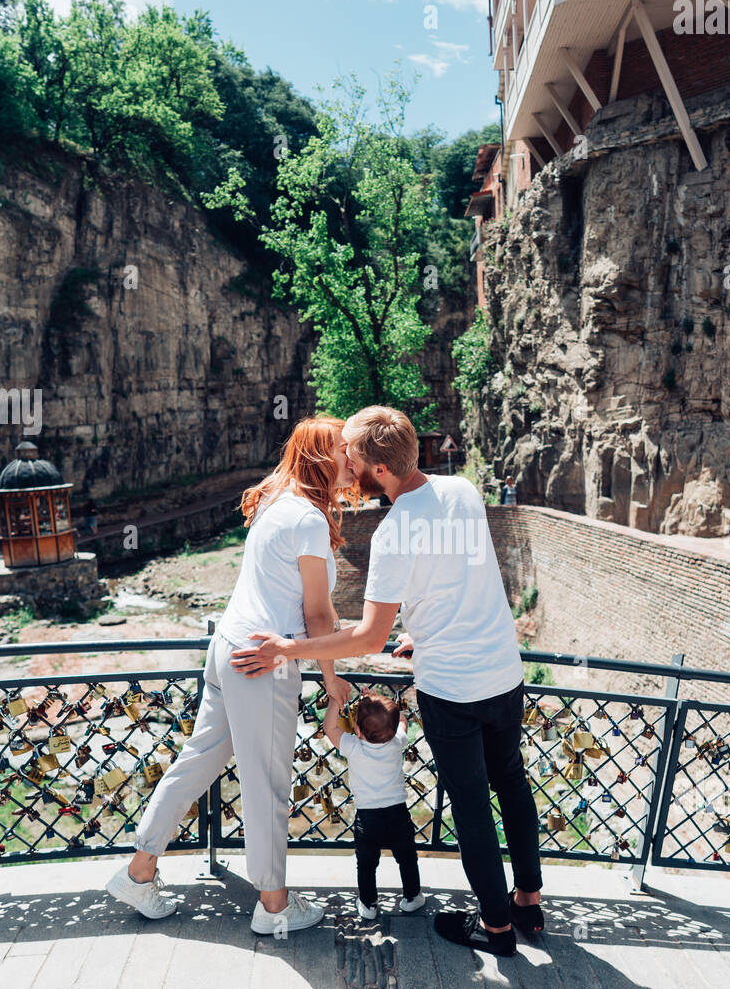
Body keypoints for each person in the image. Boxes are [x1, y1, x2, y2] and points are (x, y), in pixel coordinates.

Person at [230, 406, 543, 957]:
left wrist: (288, 648)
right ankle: (527, 905)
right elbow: (460, 577)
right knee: (512, 786)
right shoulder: (464, 491)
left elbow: (371, 638)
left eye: (349, 452)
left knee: (471, 805)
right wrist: (424, 628)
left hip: (452, 688)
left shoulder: (394, 531)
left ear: (376, 469)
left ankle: (495, 930)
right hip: (504, 671)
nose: (343, 460)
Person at [106, 417, 354, 935]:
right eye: (343, 449)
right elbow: (316, 614)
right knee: (267, 785)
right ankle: (274, 906)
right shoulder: (307, 517)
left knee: (196, 763)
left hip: (228, 648)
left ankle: (139, 870)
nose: (352, 458)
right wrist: (332, 678)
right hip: (264, 661)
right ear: (321, 459)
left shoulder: (275, 501)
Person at [323, 687, 425, 921]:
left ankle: (368, 904)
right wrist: (377, 702)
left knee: (367, 864)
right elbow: (401, 720)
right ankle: (412, 897)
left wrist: (334, 700)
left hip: (367, 819)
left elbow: (330, 728)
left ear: (357, 730)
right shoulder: (397, 741)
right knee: (407, 858)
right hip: (398, 814)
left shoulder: (354, 747)